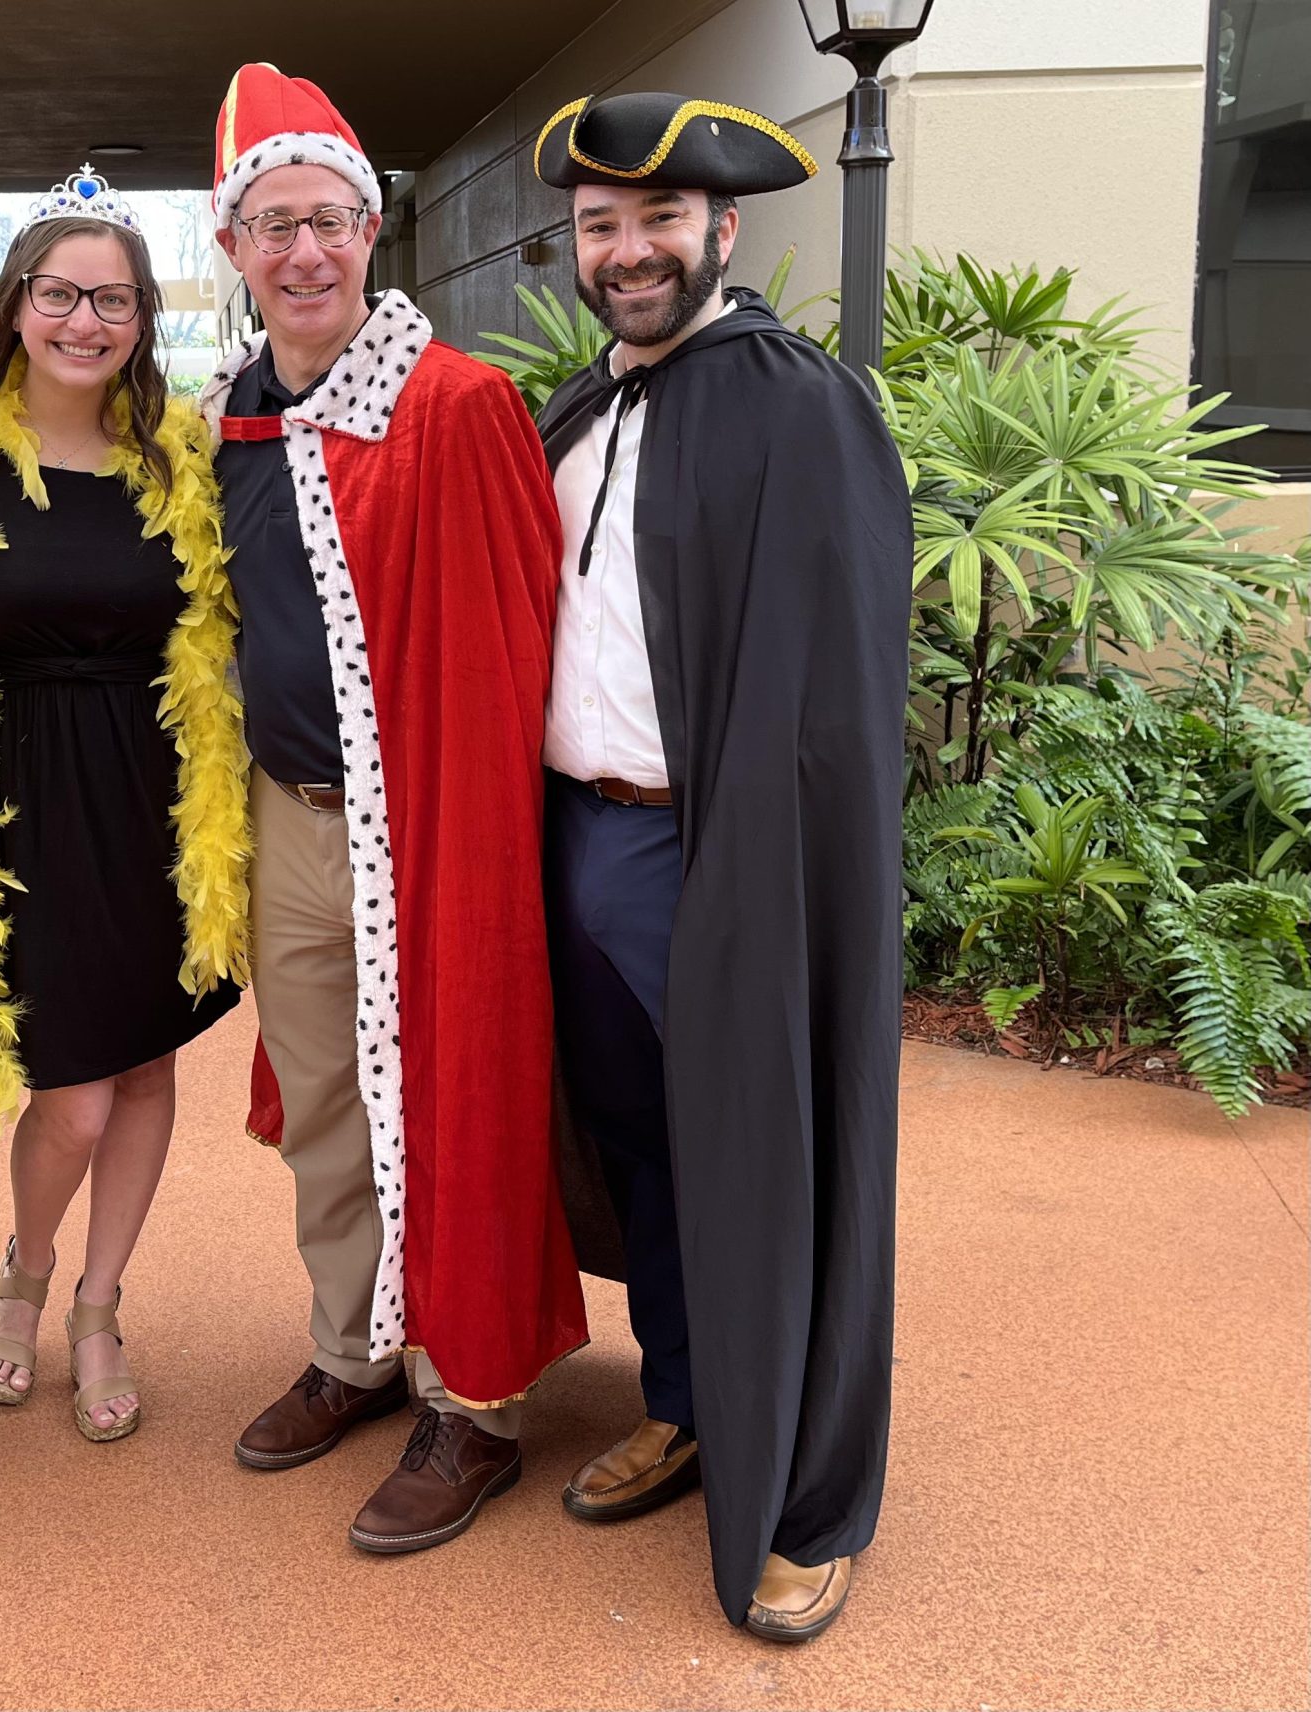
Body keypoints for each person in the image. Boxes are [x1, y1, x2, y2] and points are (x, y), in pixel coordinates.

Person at [532, 92, 912, 1639]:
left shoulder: (796, 406)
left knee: (769, 1159)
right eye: (601, 227)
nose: (629, 252)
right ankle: (687, 1402)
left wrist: (750, 873)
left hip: (718, 859)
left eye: (660, 222)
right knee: (647, 1156)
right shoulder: (575, 408)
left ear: (723, 231)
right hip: (576, 847)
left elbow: (830, 698)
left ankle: (805, 1494)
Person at [205, 63, 587, 1552]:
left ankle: (471, 1401)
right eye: (273, 223)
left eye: (330, 221)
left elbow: (509, 659)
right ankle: (356, 1346)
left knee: (453, 1090)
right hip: (282, 824)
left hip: (429, 827)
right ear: (235, 249)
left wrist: (475, 859)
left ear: (376, 234)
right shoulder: (230, 421)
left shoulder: (458, 406)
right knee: (325, 1109)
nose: (304, 253)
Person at [0, 168, 247, 1443]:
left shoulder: (176, 455)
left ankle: (98, 1302)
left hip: (156, 793)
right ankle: (24, 1273)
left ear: (144, 317)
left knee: (141, 1065)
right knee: (72, 1090)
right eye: (61, 294)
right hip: (11, 806)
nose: (86, 320)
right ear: (16, 303)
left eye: (116, 299)